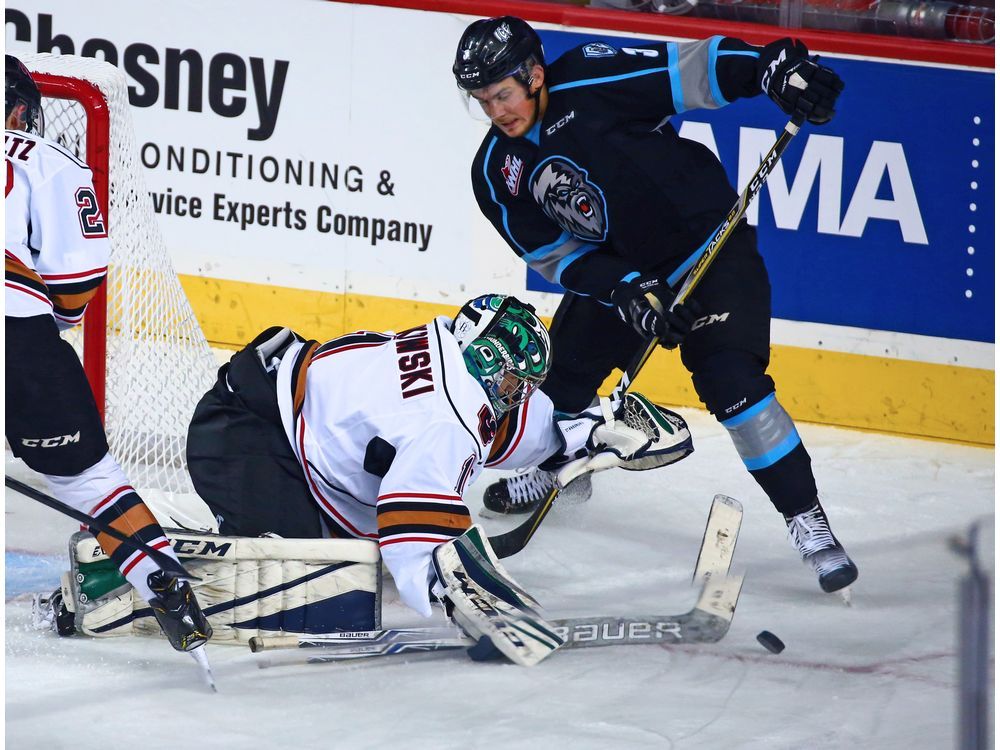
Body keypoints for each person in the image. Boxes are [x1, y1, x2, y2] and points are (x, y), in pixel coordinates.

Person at [453, 17, 857, 594]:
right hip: (628, 275)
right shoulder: (496, 170)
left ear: (534, 76)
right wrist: (625, 287)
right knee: (558, 385)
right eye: (482, 100)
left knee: (733, 384)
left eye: (502, 94)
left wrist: (771, 70)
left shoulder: (589, 79)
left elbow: (689, 72)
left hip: (707, 252)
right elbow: (556, 253)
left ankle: (809, 524)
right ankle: (559, 471)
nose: (496, 111)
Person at [185, 294, 692, 662]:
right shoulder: (450, 416)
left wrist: (586, 431)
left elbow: (510, 424)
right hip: (244, 440)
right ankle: (170, 569)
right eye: (516, 383)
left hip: (275, 416)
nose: (518, 394)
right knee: (311, 592)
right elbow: (411, 508)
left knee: (347, 562)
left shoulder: (453, 351)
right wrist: (464, 593)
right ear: (488, 361)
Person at [4, 54, 212, 651]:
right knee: (94, 483)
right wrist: (55, 326)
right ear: (20, 111)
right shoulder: (43, 160)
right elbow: (77, 279)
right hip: (17, 336)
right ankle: (161, 581)